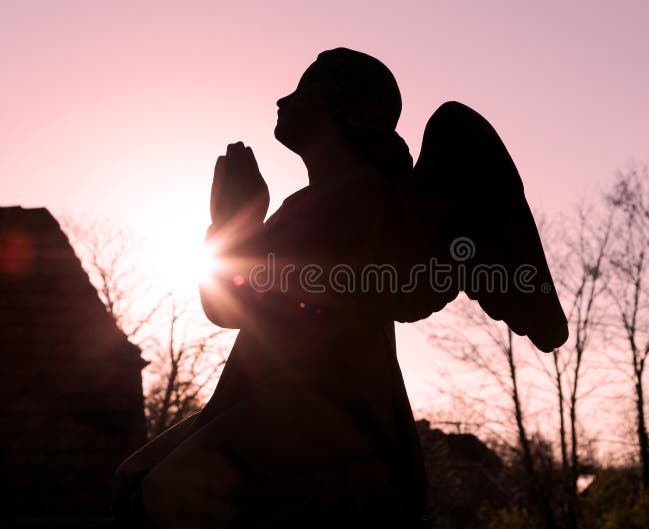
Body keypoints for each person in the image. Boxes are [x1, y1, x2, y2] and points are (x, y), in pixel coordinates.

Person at [112, 46, 569, 529]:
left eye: (304, 89)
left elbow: (244, 301)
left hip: (327, 405)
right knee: (132, 480)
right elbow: (226, 305)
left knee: (165, 491)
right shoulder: (303, 205)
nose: (284, 99)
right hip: (266, 395)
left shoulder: (366, 200)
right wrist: (230, 222)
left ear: (347, 108)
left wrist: (234, 222)